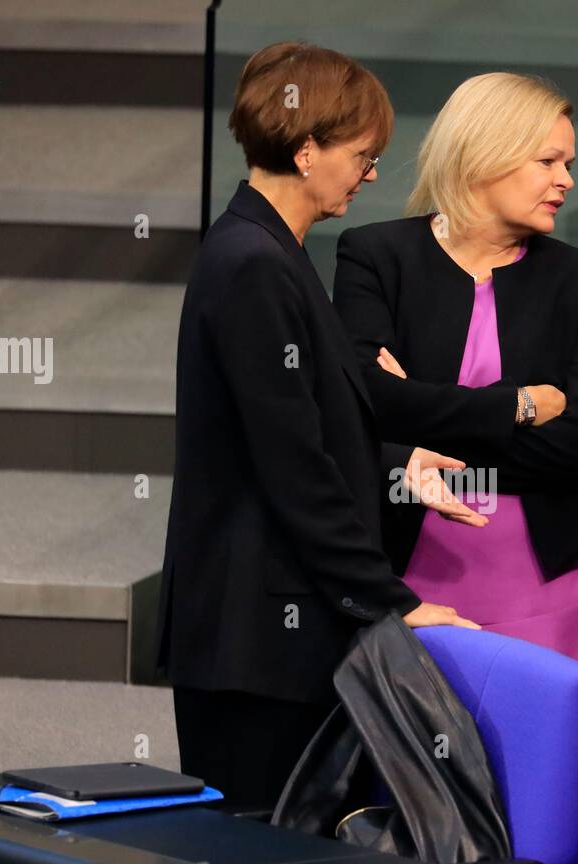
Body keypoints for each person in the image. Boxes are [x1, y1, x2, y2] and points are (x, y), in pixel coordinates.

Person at [155, 42, 483, 812]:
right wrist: (394, 602)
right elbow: (293, 466)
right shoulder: (256, 265)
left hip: (268, 627)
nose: (370, 176)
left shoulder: (268, 249)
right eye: (363, 157)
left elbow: (315, 414)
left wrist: (400, 462)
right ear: (307, 152)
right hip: (256, 639)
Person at [333, 72, 578, 854]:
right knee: (419, 816)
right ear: (486, 155)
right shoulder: (375, 257)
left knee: (540, 809)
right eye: (548, 161)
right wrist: (520, 404)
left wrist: (421, 416)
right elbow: (358, 409)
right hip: (412, 570)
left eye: (567, 163)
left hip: (540, 581)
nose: (567, 181)